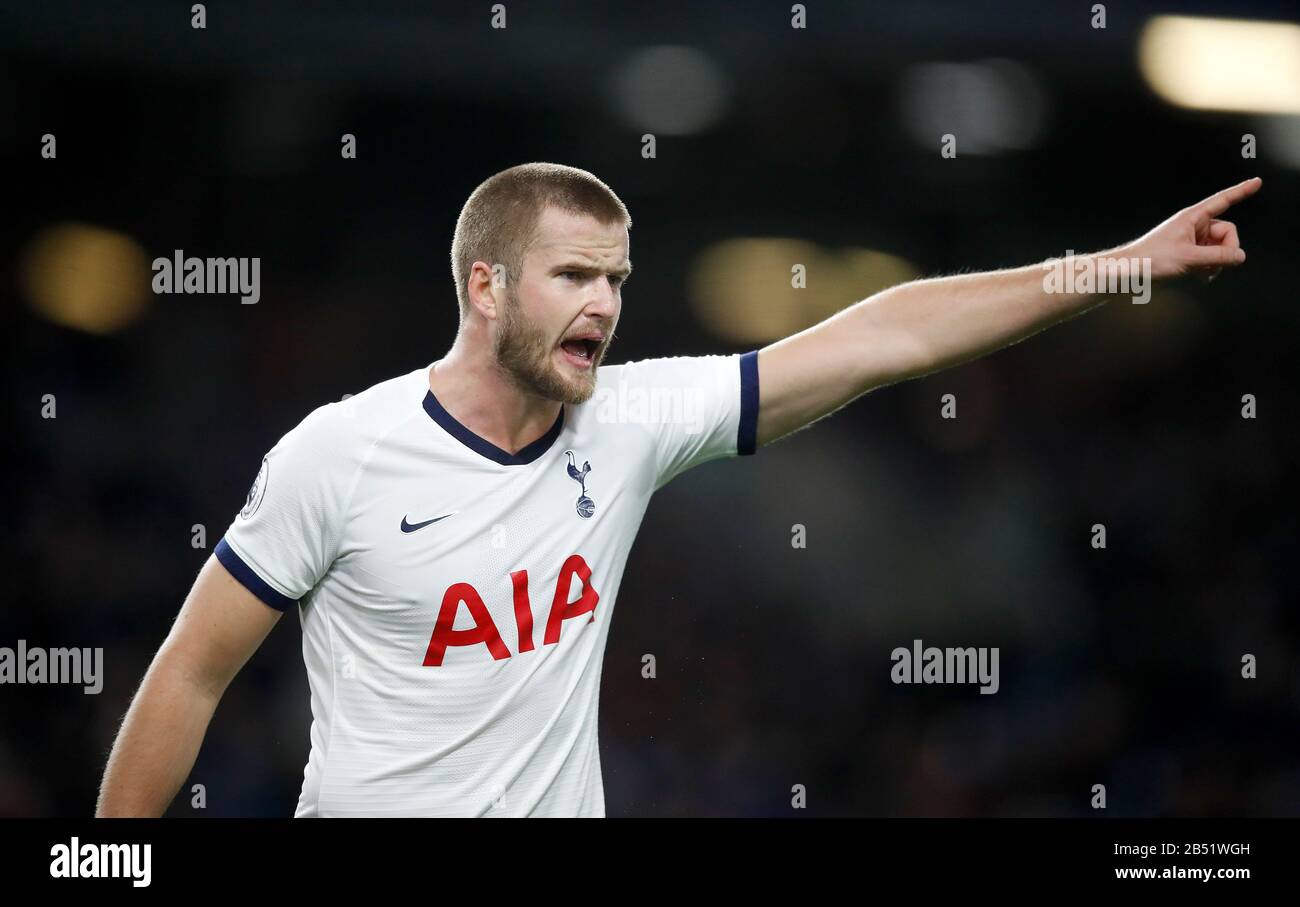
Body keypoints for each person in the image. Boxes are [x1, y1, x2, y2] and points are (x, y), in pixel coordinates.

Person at [96, 162, 1260, 817]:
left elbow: (883, 338)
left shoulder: (633, 418)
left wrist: (1117, 266)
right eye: (572, 276)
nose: (603, 304)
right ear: (486, 286)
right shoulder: (336, 456)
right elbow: (191, 674)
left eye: (616, 277)